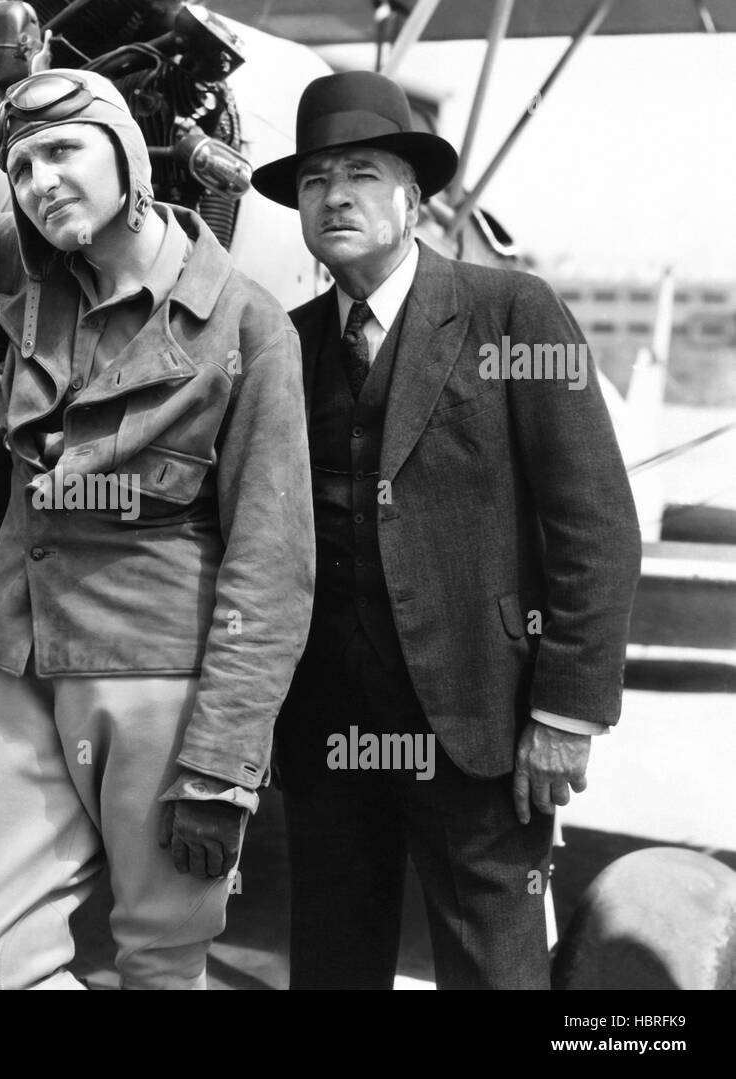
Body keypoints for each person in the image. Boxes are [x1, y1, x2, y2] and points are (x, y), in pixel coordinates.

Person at [0, 68, 313, 989]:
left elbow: (273, 564)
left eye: (63, 151)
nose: (39, 180)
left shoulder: (248, 325)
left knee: (163, 958)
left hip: (159, 682)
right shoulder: (24, 263)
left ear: (130, 157)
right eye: (18, 167)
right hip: (22, 659)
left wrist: (221, 769)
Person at [252, 70, 642, 989]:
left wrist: (564, 714)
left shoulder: (514, 312)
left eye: (360, 173)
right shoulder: (282, 342)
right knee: (332, 967)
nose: (334, 195)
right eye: (314, 182)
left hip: (484, 728)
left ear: (414, 199)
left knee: (495, 970)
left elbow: (595, 524)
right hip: (328, 732)